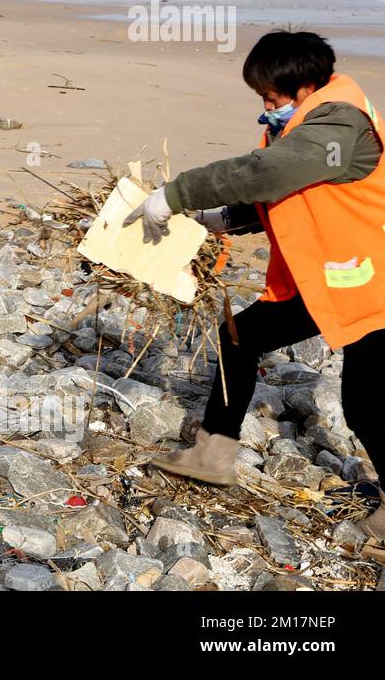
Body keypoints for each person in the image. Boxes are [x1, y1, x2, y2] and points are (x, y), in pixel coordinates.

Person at [124, 31, 384, 539]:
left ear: (307, 86)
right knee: (237, 336)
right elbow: (287, 192)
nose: (265, 109)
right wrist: (224, 217)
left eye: (272, 98)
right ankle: (212, 454)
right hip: (332, 278)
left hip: (374, 282)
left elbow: (271, 171)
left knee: (368, 405)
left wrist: (174, 194)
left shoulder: (340, 125)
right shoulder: (308, 122)